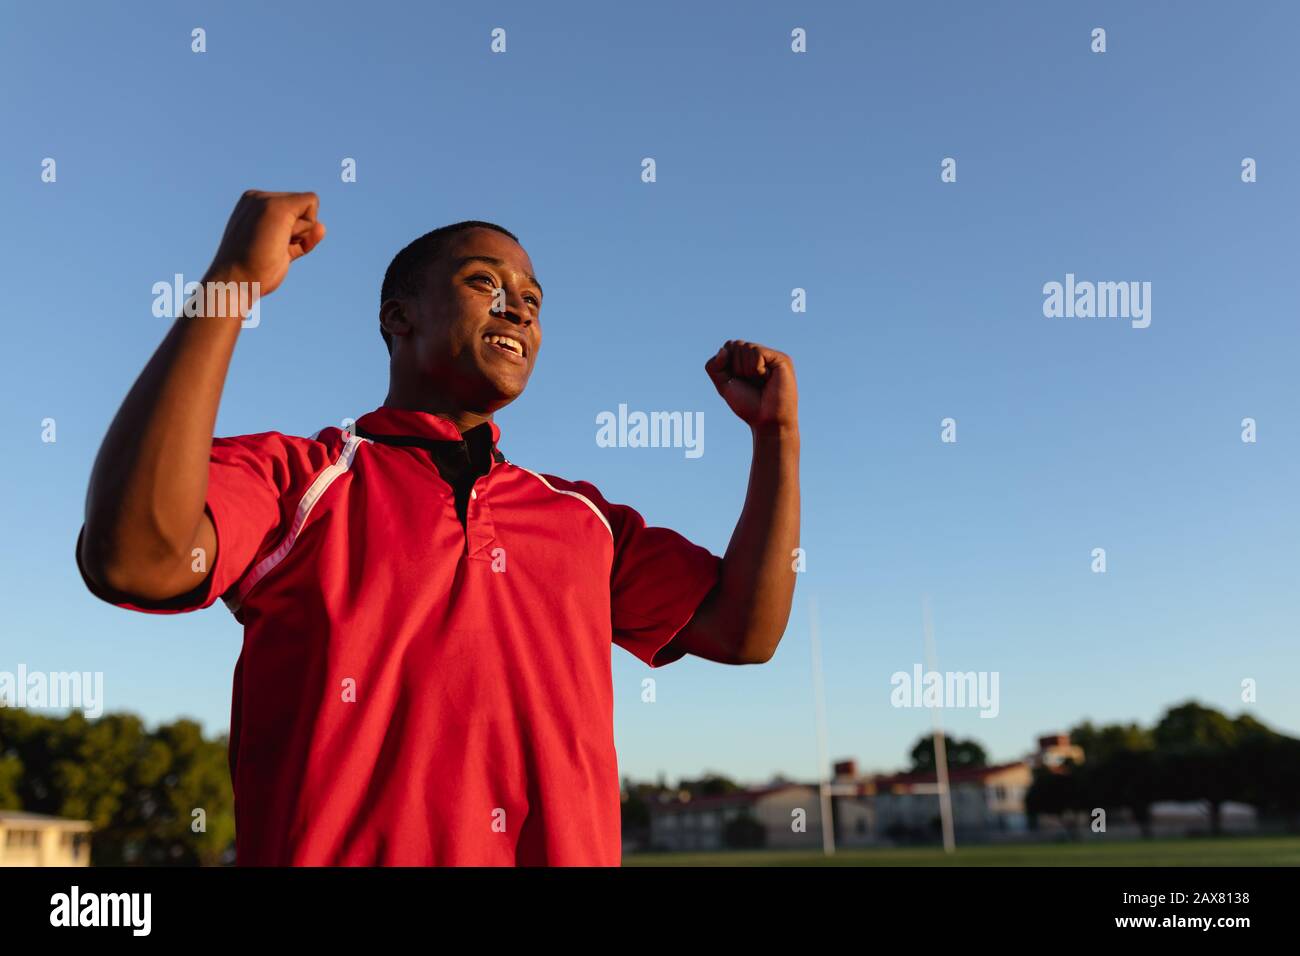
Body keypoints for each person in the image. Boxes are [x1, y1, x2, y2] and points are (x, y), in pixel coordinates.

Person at [76, 190, 801, 865]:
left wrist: (777, 438)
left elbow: (744, 630)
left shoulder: (583, 522)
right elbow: (135, 556)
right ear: (399, 316)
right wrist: (231, 280)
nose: (516, 308)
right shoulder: (301, 480)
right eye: (484, 283)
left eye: (532, 300)